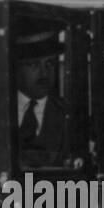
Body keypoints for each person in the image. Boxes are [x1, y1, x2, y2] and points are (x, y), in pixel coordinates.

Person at [12, 29, 67, 167]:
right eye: (33, 64)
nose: (44, 73)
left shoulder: (68, 113)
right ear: (16, 69)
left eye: (49, 64)